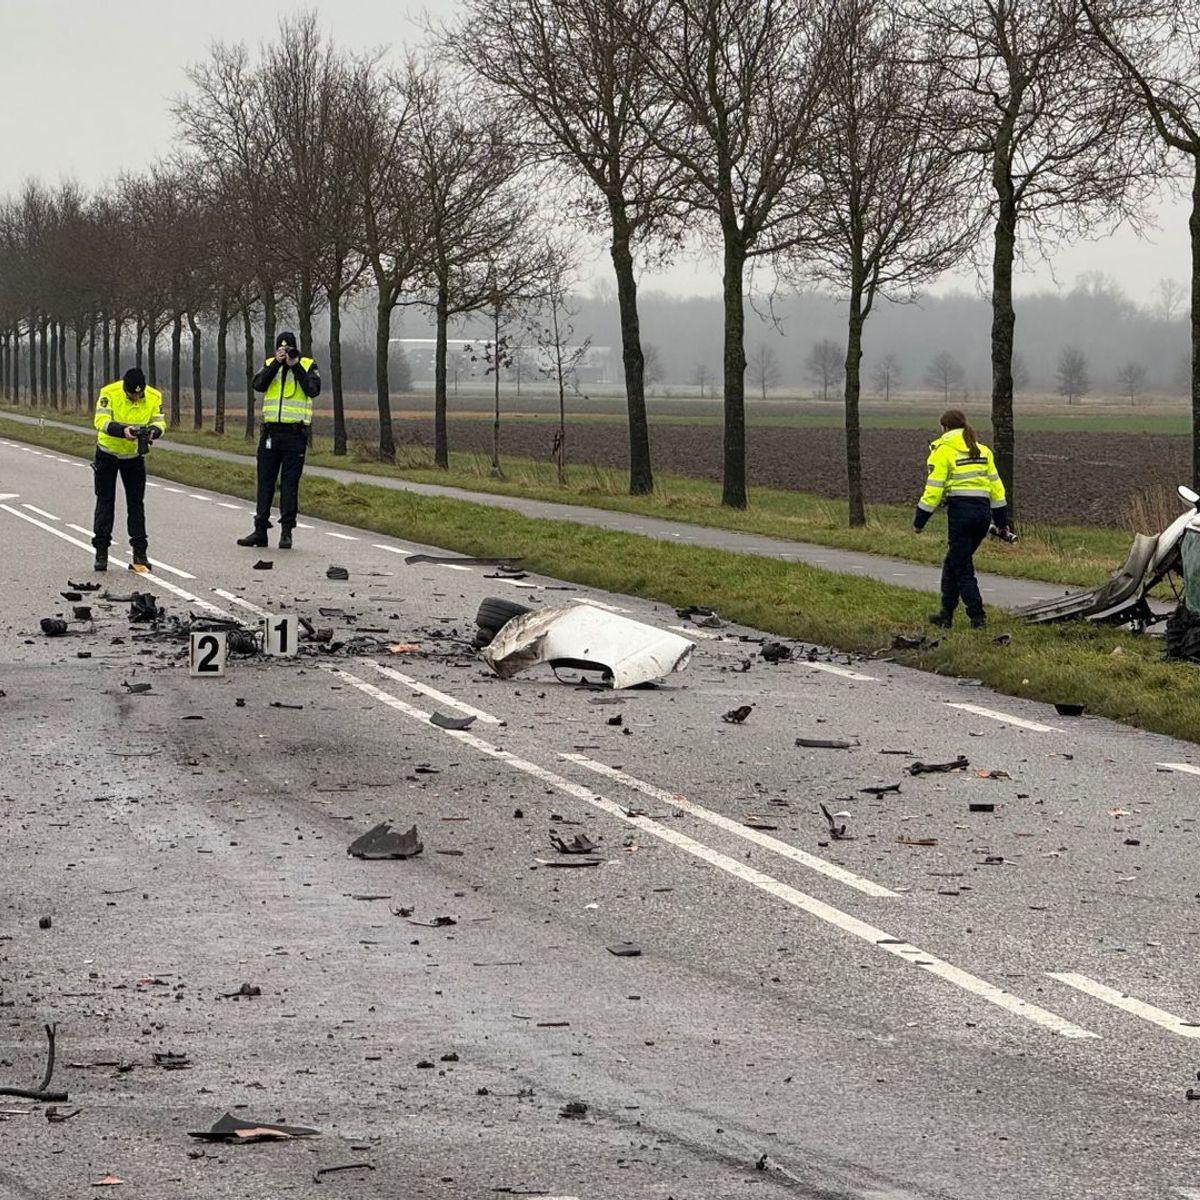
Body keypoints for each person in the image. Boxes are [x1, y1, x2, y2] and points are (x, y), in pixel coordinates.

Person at [913, 409, 1010, 629]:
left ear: (944, 428)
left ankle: (977, 617)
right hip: (983, 514)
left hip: (961, 514)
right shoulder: (982, 451)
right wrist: (1002, 523)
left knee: (962, 566)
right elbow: (997, 489)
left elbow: (933, 490)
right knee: (953, 562)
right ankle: (945, 614)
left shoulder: (942, 450)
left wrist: (920, 521)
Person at [237, 331, 320, 550]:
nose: (287, 353)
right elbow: (258, 384)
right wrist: (276, 362)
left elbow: (313, 389)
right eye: (282, 350)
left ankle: (286, 532)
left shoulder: (308, 365)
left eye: (289, 349)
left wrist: (296, 365)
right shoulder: (269, 364)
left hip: (295, 435)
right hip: (271, 434)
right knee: (265, 483)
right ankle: (260, 530)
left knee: (289, 485)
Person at [91, 366, 165, 573]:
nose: (136, 398)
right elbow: (101, 421)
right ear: (125, 390)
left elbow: (160, 421)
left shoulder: (154, 396)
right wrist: (123, 431)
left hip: (133, 457)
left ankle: (140, 554)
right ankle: (101, 552)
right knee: (105, 501)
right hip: (108, 453)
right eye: (132, 395)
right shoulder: (109, 393)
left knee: (136, 503)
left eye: (139, 395)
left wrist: (153, 432)